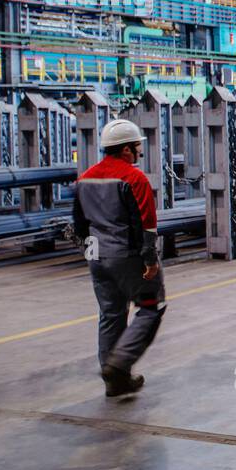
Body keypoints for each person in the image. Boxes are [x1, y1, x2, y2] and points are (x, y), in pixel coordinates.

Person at [72, 119, 166, 397]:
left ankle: (114, 379)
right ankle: (119, 364)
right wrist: (150, 261)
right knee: (150, 307)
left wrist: (90, 253)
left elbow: (78, 224)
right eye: (137, 147)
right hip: (127, 257)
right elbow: (146, 224)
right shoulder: (134, 179)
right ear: (126, 149)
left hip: (96, 257)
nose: (139, 152)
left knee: (111, 314)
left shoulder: (84, 178)